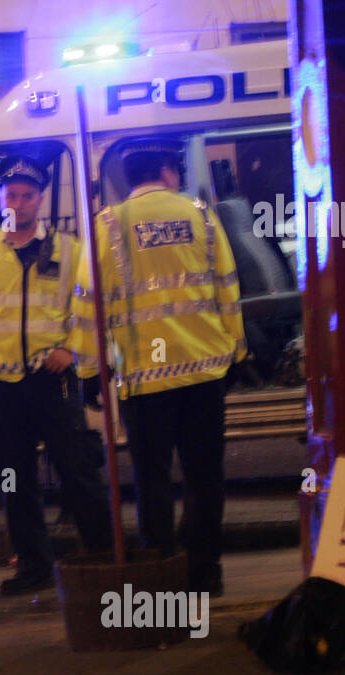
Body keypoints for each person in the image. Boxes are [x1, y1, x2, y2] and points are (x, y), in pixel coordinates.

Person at [73, 136, 247, 595]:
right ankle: (205, 574)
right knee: (204, 479)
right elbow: (227, 287)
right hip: (204, 371)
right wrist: (237, 352)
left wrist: (90, 371)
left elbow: (89, 306)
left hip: (145, 382)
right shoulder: (202, 217)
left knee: (152, 481)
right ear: (169, 173)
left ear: (128, 179)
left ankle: (162, 575)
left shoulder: (106, 226)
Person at [0, 154, 113, 595]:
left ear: (40, 199)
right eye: (11, 196)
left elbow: (88, 309)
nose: (18, 204)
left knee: (77, 471)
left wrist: (72, 350)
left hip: (53, 379)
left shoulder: (69, 250)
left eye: (27, 196)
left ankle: (104, 558)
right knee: (13, 479)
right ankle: (33, 566)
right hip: (1, 385)